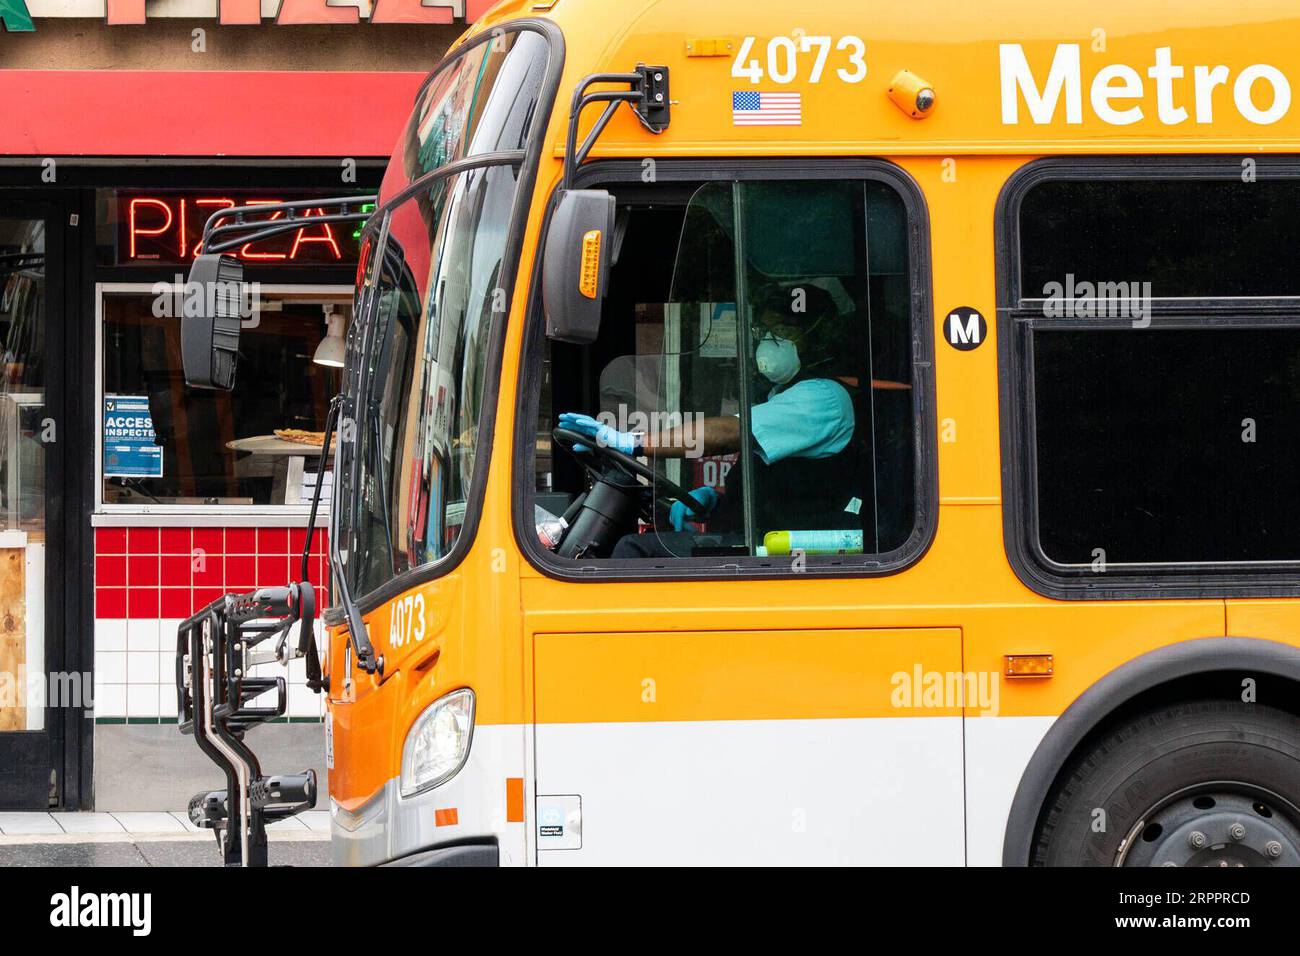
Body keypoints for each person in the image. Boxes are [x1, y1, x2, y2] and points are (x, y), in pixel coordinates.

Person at [559, 285, 899, 558]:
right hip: (765, 540)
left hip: (793, 552)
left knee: (632, 550)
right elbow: (785, 488)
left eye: (782, 331)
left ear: (817, 339)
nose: (768, 341)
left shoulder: (823, 397)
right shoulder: (784, 394)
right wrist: (719, 501)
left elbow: (730, 431)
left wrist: (634, 442)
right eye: (762, 330)